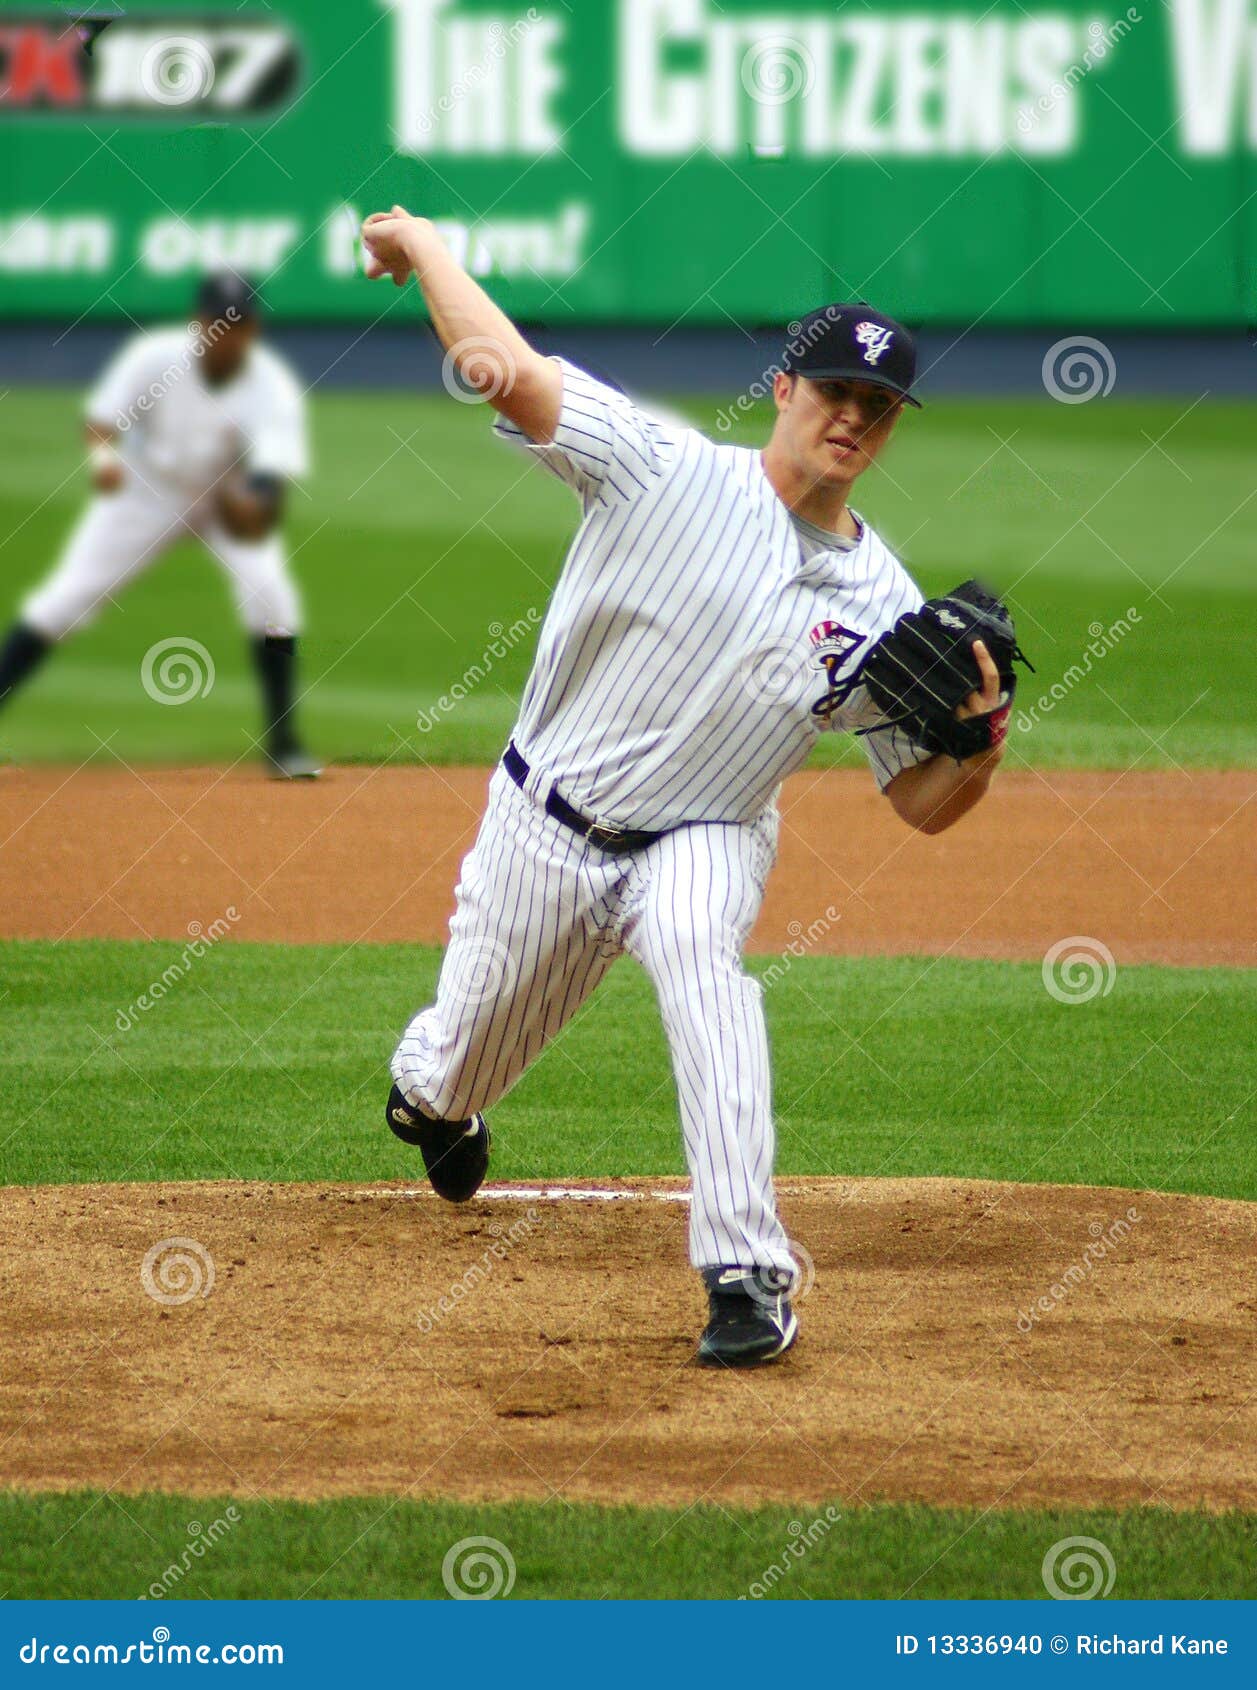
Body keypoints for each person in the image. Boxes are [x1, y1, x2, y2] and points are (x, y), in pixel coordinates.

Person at [363, 205, 1008, 1367]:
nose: (852, 418)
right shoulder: (660, 468)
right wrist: (425, 249)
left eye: (877, 407)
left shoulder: (887, 606)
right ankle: (433, 1094)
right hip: (544, 827)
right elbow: (501, 372)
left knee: (707, 969)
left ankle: (747, 1274)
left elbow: (917, 803)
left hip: (708, 832)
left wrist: (978, 750)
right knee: (461, 1060)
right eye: (833, 393)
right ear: (782, 389)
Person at [0, 273, 319, 778]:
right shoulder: (156, 357)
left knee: (273, 597)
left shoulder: (271, 386)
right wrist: (104, 460)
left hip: (224, 498)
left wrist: (248, 512)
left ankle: (284, 743)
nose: (228, 333)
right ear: (199, 323)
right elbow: (102, 421)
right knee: (65, 597)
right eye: (219, 322)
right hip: (147, 492)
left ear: (254, 330)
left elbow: (269, 495)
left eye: (240, 324)